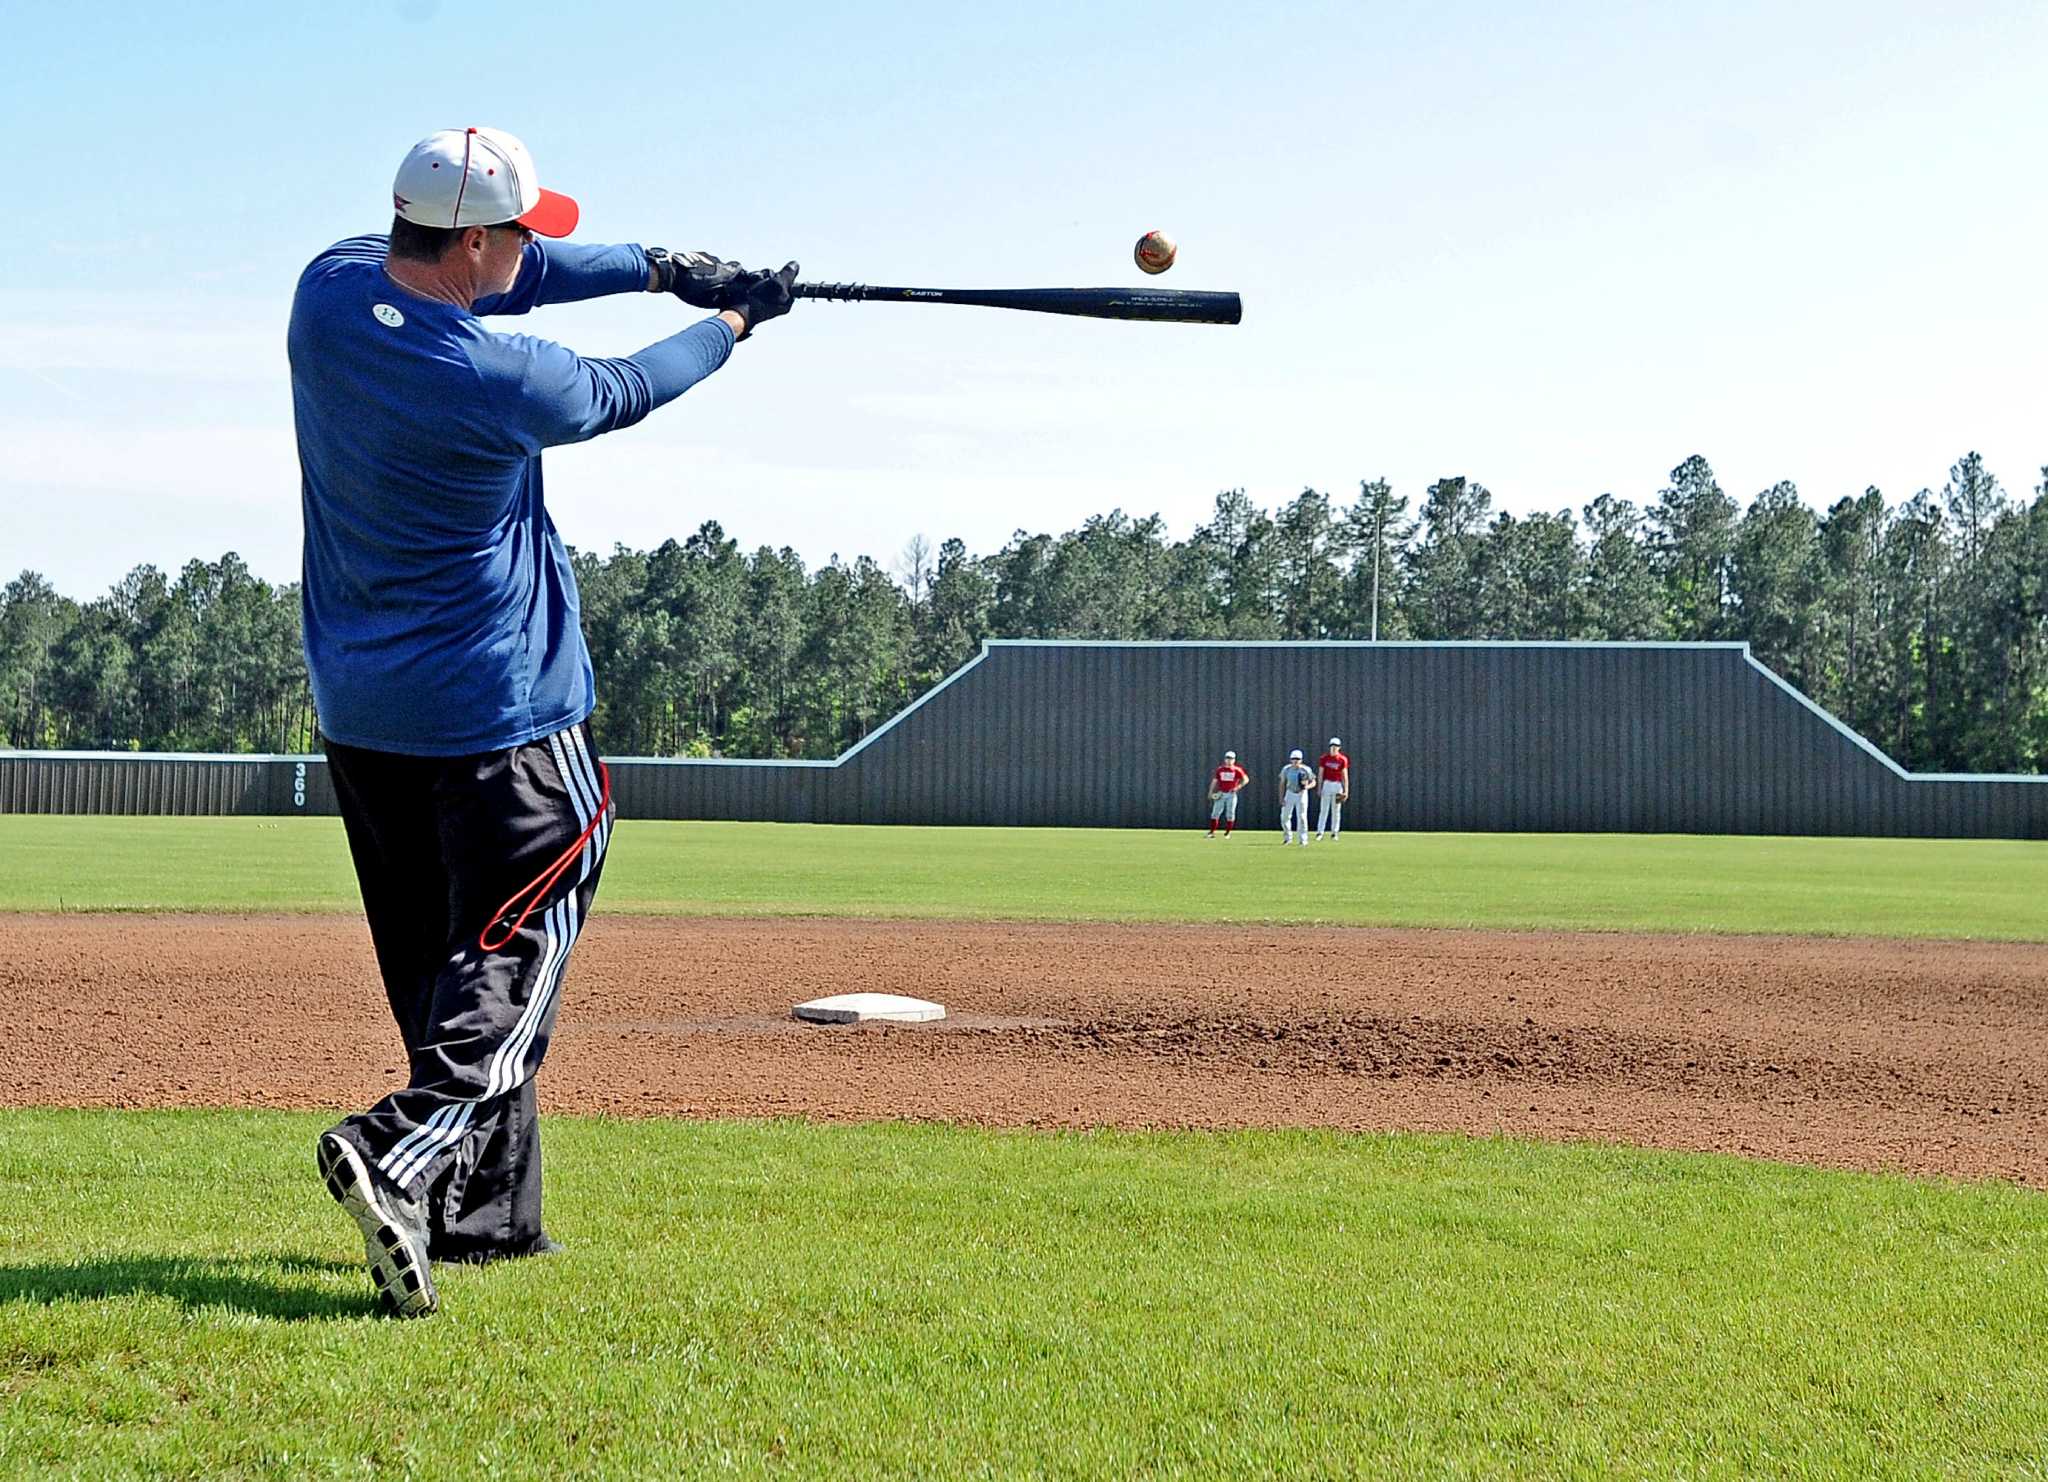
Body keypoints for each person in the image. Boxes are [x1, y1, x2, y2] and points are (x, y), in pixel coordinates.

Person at [290, 125, 797, 1318]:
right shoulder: (498, 380)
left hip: (364, 720)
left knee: (444, 969)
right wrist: (728, 324)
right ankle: (401, 1146)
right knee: (512, 960)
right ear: (474, 238)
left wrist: (665, 265)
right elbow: (630, 385)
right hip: (502, 721)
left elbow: (536, 275)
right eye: (518, 230)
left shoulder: (328, 290)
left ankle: (478, 1223)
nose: (531, 249)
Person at [1206, 750, 1251, 837]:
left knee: (1230, 814)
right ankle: (1212, 832)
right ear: (1225, 759)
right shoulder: (1220, 769)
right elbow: (1214, 781)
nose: (1229, 760)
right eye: (1227, 758)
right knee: (1215, 813)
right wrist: (1210, 792)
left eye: (1231, 758)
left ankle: (1228, 833)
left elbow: (1246, 779)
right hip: (1221, 793)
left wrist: (1238, 787)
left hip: (1231, 794)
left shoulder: (1237, 770)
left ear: (1234, 760)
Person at [1314, 736, 1350, 840]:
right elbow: (1320, 774)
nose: (1334, 748)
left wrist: (1346, 790)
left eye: (1336, 746)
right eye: (1332, 746)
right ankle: (1320, 832)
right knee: (1324, 809)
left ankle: (1334, 833)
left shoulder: (1342, 759)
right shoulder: (1324, 758)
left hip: (1337, 785)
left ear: (1339, 748)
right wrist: (1319, 787)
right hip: (1327, 784)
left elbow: (1345, 776)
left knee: (1336, 810)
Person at [1277, 749, 1315, 845]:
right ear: (1290, 760)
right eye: (1293, 759)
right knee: (1285, 816)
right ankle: (1287, 838)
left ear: (1301, 760)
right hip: (1290, 792)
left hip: (1301, 793)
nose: (1295, 761)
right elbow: (1282, 783)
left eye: (1297, 759)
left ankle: (1303, 839)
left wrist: (1307, 787)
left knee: (1302, 817)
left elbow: (1313, 781)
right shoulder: (1286, 769)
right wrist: (1281, 798)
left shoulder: (1306, 770)